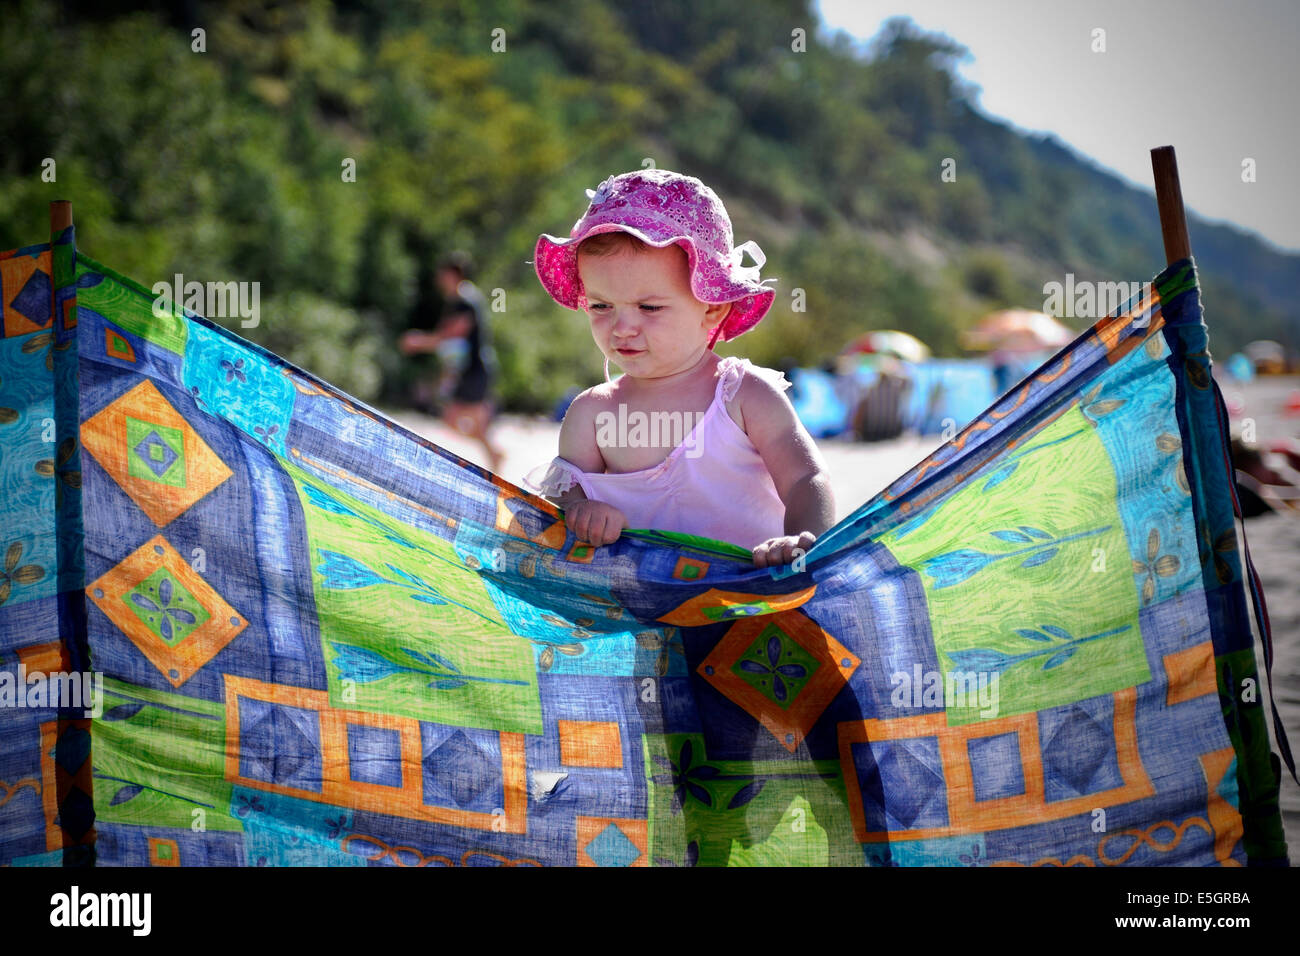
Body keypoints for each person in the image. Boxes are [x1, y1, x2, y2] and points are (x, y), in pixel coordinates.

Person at [523, 169, 834, 567]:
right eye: (601, 306)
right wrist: (582, 512)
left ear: (713, 307)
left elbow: (806, 479)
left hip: (755, 601)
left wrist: (802, 540)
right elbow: (563, 502)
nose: (621, 327)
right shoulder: (592, 414)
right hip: (647, 612)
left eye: (649, 307)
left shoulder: (743, 396)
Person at [399, 252, 505, 473]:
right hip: (470, 370)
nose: (439, 279)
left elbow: (452, 336)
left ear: (453, 274)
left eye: (443, 274)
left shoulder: (465, 299)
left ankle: (494, 454)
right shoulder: (460, 299)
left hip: (474, 370)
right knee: (463, 422)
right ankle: (494, 455)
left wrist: (419, 342)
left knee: (452, 419)